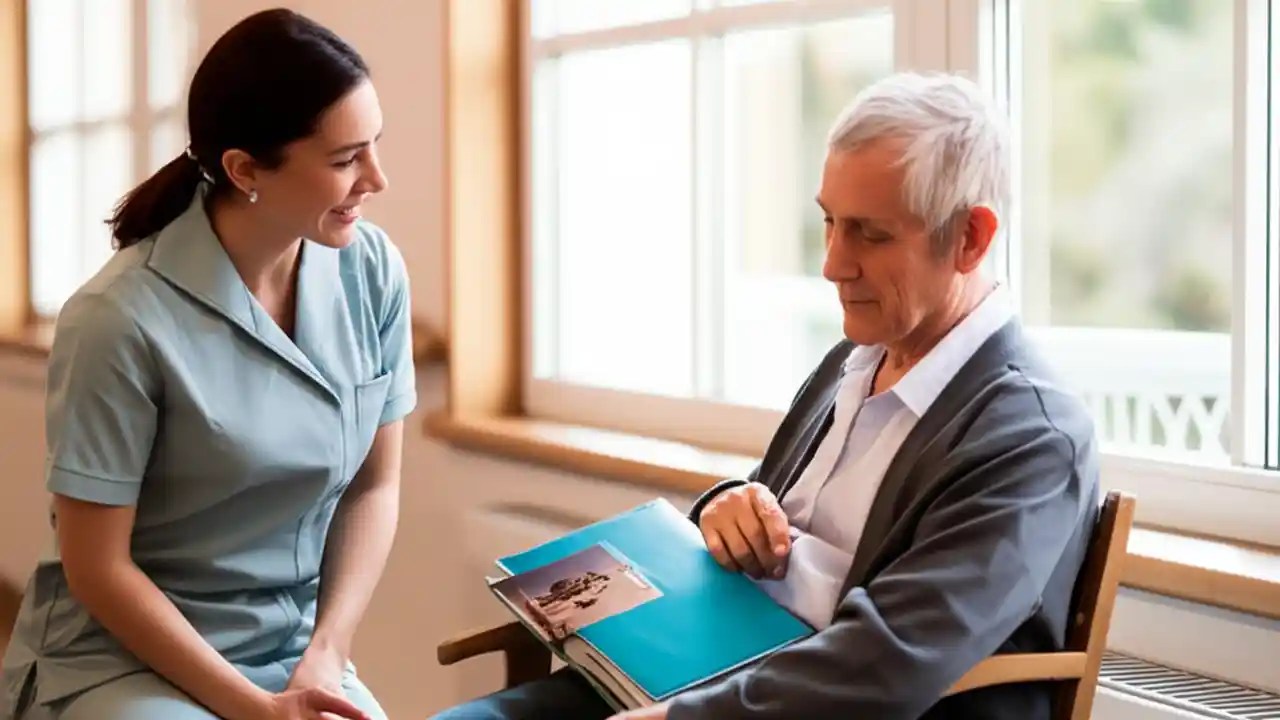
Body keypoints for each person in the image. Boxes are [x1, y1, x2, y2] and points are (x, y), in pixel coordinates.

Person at [432, 72, 1100, 720]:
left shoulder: (1030, 436)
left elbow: (888, 664)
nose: (832, 264)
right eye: (829, 221)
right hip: (707, 677)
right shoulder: (855, 361)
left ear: (971, 238)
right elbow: (774, 520)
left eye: (871, 234)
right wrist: (728, 507)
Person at [1, 9, 413, 720]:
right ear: (245, 170)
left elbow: (375, 486)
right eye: (346, 159)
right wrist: (254, 709)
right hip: (122, 657)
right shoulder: (117, 317)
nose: (377, 178)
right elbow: (97, 568)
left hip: (291, 646)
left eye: (374, 145)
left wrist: (328, 652)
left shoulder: (371, 271)